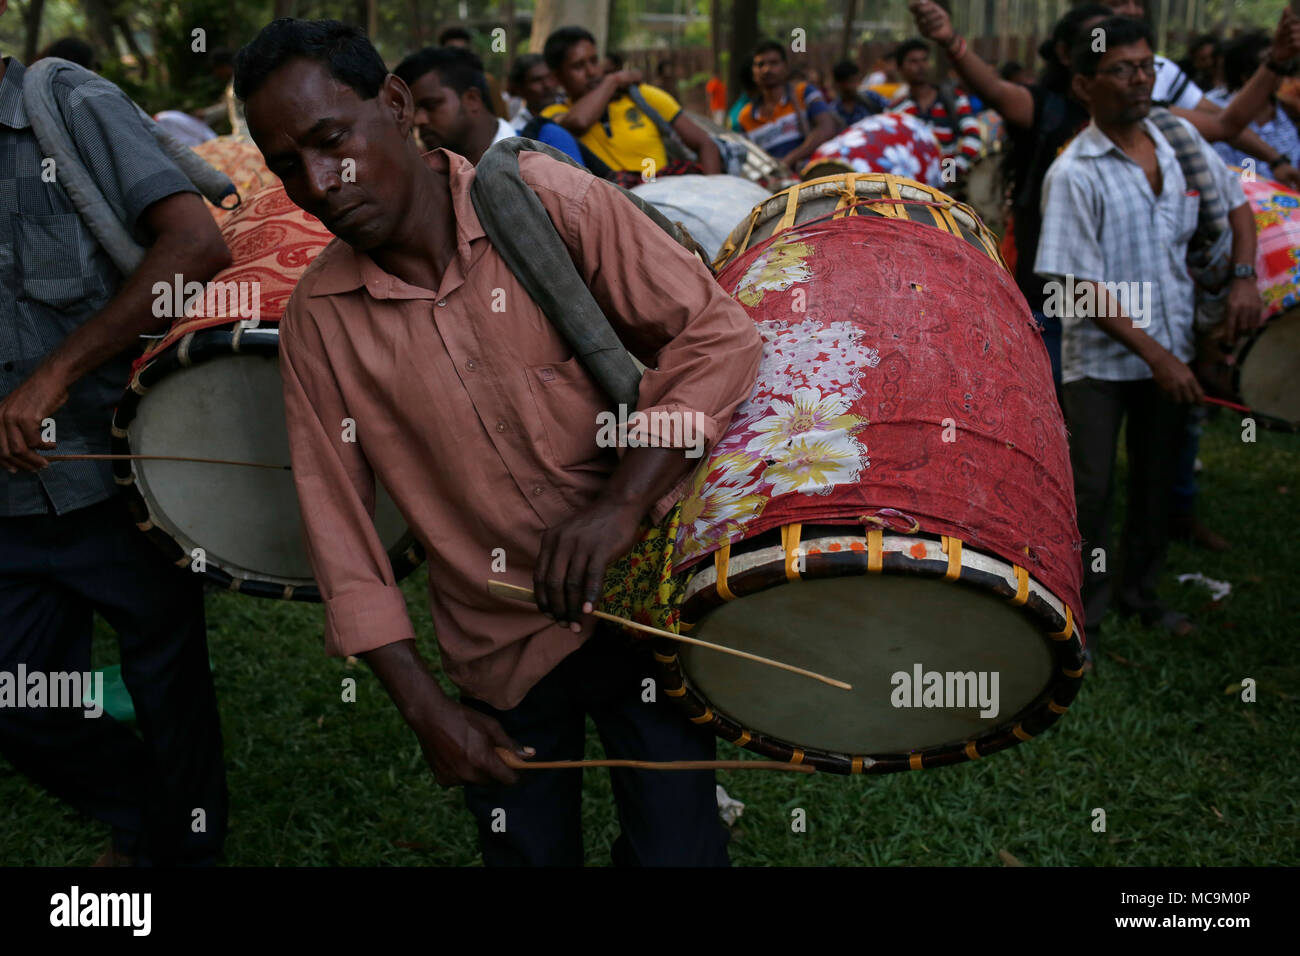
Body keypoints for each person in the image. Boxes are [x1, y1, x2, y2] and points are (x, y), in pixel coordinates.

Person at [233, 17, 762, 867]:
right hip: (497, 648)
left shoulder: (548, 200)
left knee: (681, 852)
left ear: (398, 103)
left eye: (332, 140)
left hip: (641, 608)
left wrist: (623, 503)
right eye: (287, 165)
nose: (320, 183)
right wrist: (425, 710)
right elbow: (341, 538)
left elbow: (717, 338)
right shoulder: (319, 322)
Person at [0, 10, 230, 866]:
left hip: (123, 475)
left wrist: (53, 374)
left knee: (168, 690)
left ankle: (181, 847)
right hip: (8, 501)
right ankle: (139, 812)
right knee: (19, 699)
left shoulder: (65, 103)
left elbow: (195, 242)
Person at [909, 0, 1300, 387]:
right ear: (1069, 57)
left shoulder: (1149, 117)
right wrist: (949, 40)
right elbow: (992, 88)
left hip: (1143, 299)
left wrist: (1276, 75)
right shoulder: (1044, 109)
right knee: (1062, 389)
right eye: (1100, 39)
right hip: (1055, 291)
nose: (1116, 43)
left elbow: (1228, 123)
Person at [1034, 16, 1263, 647]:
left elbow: (1239, 205)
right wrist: (1159, 356)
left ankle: (1141, 593)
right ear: (1084, 85)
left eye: (1146, 66)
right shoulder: (1075, 171)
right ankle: (1085, 610)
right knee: (1094, 489)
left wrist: (1243, 277)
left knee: (1156, 480)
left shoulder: (1174, 140)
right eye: (1122, 69)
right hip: (1103, 365)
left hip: (1174, 353)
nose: (1140, 80)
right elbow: (1074, 284)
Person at [541, 26, 721, 184]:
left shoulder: (643, 97)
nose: (591, 72)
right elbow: (579, 122)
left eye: (594, 61)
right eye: (578, 66)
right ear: (557, 77)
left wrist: (712, 190)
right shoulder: (554, 115)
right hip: (612, 206)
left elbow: (706, 144)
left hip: (664, 195)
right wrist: (613, 80)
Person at [395, 46, 549, 167]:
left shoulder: (545, 143)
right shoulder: (431, 176)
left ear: (472, 99)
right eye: (414, 110)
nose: (418, 120)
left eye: (431, 105)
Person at [1206, 31, 1300, 183]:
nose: (1282, 77)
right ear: (1246, 76)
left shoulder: (1288, 111)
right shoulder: (1215, 110)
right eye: (1274, 69)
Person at [889, 38, 983, 185]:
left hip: (948, 190)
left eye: (924, 60)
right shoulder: (896, 110)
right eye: (913, 61)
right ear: (900, 69)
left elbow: (973, 137)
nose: (920, 66)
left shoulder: (955, 99)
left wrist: (951, 173)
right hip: (910, 189)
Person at [737, 38, 838, 172]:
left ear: (785, 67)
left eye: (774, 63)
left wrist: (790, 159)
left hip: (810, 174)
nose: (767, 69)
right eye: (760, 65)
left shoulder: (803, 92)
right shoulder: (745, 116)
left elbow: (827, 128)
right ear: (753, 73)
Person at [506, 53, 587, 167]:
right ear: (520, 89)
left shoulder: (575, 110)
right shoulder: (516, 131)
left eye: (550, 77)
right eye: (537, 80)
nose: (547, 85)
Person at [829, 58, 887, 127]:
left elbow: (890, 111)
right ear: (839, 84)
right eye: (850, 81)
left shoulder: (870, 97)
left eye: (856, 80)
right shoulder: (833, 111)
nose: (854, 85)